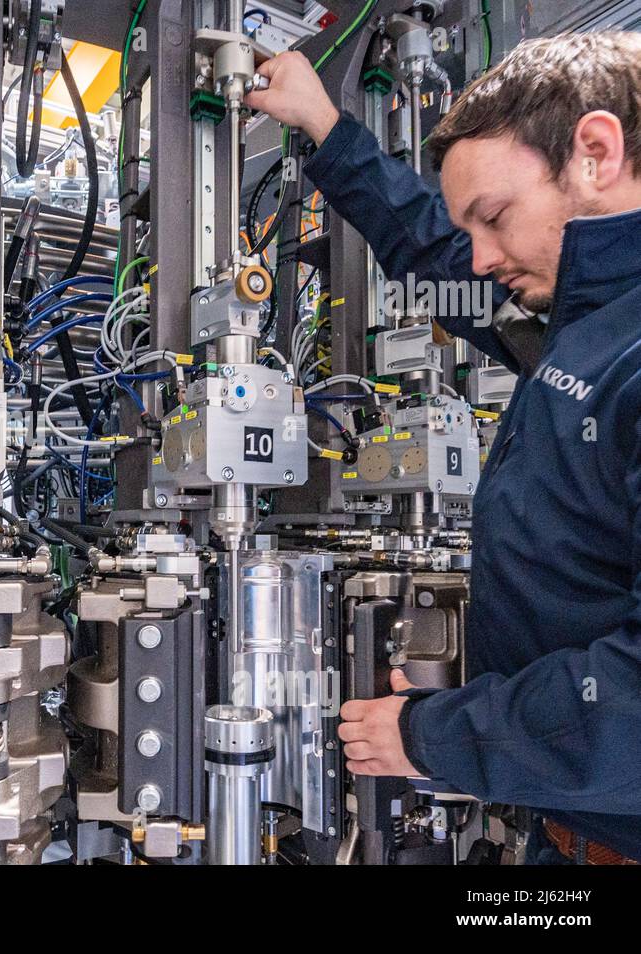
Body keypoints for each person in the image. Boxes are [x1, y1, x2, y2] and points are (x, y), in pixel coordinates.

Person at [245, 31, 641, 864]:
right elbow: (439, 256)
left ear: (596, 153)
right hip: (564, 831)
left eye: (494, 217)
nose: (483, 258)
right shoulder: (572, 325)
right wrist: (326, 128)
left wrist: (434, 738)